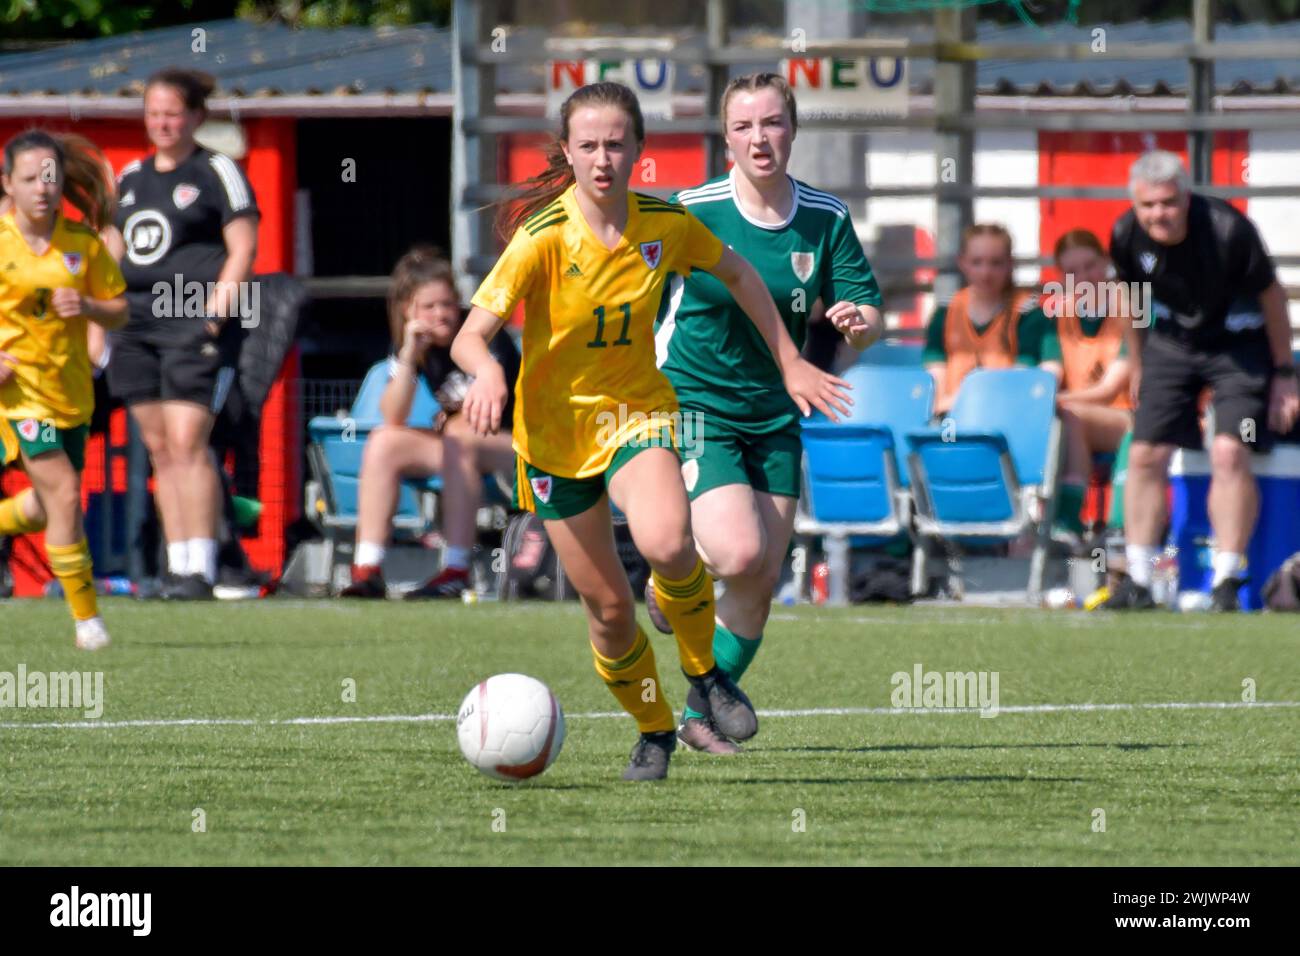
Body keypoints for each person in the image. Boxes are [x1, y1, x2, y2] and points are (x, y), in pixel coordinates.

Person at [451, 81, 850, 781]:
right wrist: (487, 373)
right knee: (608, 611)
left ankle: (706, 678)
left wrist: (790, 359)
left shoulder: (662, 224)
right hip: (553, 440)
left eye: (615, 144)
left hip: (637, 415)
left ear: (638, 149)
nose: (603, 159)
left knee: (669, 544)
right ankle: (654, 730)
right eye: (588, 146)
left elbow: (740, 275)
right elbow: (468, 338)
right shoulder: (542, 239)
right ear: (567, 153)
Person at [649, 72, 883, 754]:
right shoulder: (693, 208)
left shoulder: (825, 217)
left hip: (777, 412)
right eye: (745, 125)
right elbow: (634, 287)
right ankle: (674, 571)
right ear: (725, 137)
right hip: (696, 401)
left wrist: (854, 322)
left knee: (759, 577)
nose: (761, 137)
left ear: (794, 129)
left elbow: (867, 312)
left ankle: (698, 713)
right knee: (738, 549)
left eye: (773, 123)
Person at [1105, 150, 1299, 611]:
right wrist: (1137, 364)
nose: (1159, 214)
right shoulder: (1126, 234)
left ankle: (1227, 579)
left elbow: (1272, 298)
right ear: (1135, 204)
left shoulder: (1229, 230)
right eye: (1148, 205)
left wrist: (1286, 375)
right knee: (1145, 451)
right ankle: (1139, 579)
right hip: (1173, 343)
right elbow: (1130, 298)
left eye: (1168, 203)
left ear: (1186, 198)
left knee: (1230, 449)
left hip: (1240, 342)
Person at [102, 67, 260, 600]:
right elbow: (112, 252)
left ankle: (203, 564)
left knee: (190, 442)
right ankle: (176, 564)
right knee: (159, 446)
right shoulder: (129, 178)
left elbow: (242, 247)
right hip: (135, 324)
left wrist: (215, 314)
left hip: (192, 320)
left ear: (195, 116)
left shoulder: (217, 170)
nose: (163, 123)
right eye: (154, 113)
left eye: (173, 112)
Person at [0, 131, 127, 648]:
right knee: (67, 494)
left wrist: (90, 308)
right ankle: (86, 619)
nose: (42, 189)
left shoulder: (83, 244)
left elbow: (120, 309)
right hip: (18, 395)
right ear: (7, 184)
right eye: (29, 179)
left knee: (49, 506)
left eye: (49, 177)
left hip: (72, 394)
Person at [340, 246, 520, 599]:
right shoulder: (416, 343)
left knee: (458, 434)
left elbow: (490, 411)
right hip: (460, 446)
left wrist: (451, 420)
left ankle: (456, 569)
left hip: (514, 442)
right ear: (410, 311)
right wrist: (408, 356)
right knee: (384, 442)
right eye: (429, 307)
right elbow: (393, 415)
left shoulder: (480, 333)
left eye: (447, 304)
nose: (441, 314)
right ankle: (368, 568)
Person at [922, 223, 1062, 418]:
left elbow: (1021, 377)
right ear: (962, 262)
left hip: (1007, 414)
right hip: (950, 416)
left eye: (996, 263)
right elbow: (935, 377)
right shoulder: (946, 311)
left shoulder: (1029, 312)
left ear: (1010, 264)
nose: (985, 273)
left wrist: (965, 400)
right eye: (977, 262)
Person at [1047, 229, 1134, 536]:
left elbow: (1110, 389)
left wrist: (1055, 402)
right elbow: (1048, 376)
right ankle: (1028, 529)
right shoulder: (1057, 317)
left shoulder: (1132, 306)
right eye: (1072, 271)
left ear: (1106, 262)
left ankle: (1071, 521)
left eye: (1090, 265)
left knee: (1069, 418)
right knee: (1057, 421)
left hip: (1127, 417)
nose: (1084, 277)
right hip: (1077, 416)